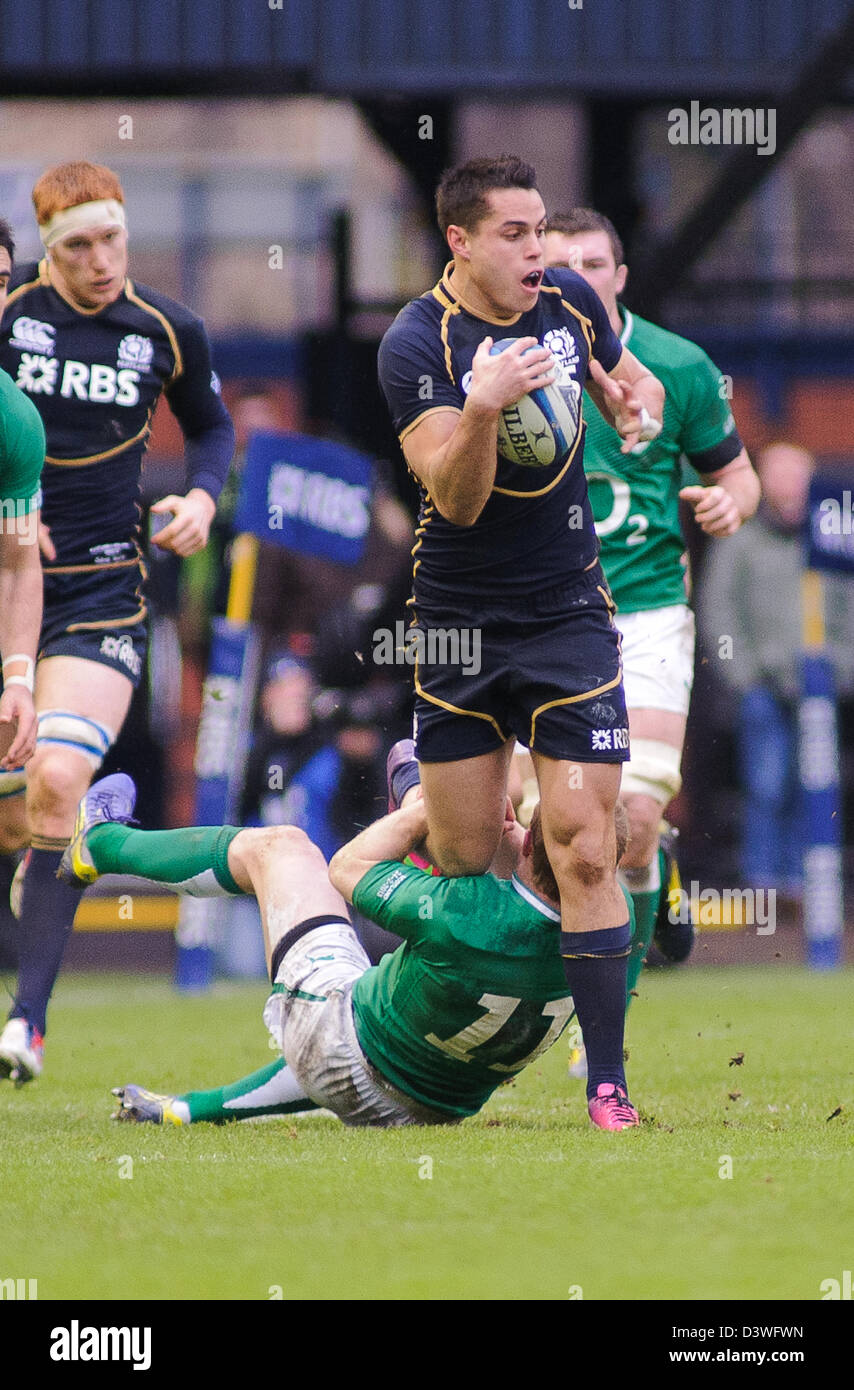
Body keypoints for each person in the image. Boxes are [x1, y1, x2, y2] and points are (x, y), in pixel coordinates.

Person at [377, 156, 664, 1119]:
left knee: (586, 842)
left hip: (569, 616)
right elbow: (454, 501)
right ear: (458, 242)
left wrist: (633, 401)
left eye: (541, 229)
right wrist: (486, 403)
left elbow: (630, 378)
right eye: (514, 233)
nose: (538, 249)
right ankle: (416, 782)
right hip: (457, 627)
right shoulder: (418, 343)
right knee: (466, 858)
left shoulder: (572, 299)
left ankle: (610, 1082)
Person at [0, 161, 234, 1084]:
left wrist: (205, 501)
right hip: (7, 576)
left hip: (101, 597)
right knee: (25, 820)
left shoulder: (169, 330)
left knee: (57, 775)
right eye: (79, 247)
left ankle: (26, 1026)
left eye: (114, 241)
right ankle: (38, 851)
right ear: (48, 250)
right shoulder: (11, 319)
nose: (102, 262)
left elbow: (210, 428)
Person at [58, 771, 638, 1129]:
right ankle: (190, 1111)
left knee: (282, 850)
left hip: (344, 1049)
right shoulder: (615, 928)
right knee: (371, 1023)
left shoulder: (467, 912)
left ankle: (101, 841)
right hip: (433, 1106)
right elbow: (547, 887)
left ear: (533, 845)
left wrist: (420, 810)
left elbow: (348, 869)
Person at [537, 209, 759, 1035]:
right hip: (548, 623)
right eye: (559, 263)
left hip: (650, 616)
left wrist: (727, 505)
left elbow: (738, 476)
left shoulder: (677, 365)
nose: (578, 276)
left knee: (627, 823)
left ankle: (600, 1032)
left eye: (594, 261)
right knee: (548, 837)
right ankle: (635, 895)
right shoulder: (517, 358)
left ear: (620, 275)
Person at [698, 442, 854, 897]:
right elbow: (718, 614)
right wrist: (744, 679)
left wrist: (840, 667)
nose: (789, 485)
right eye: (779, 474)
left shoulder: (833, 536)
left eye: (797, 474)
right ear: (763, 481)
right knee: (767, 787)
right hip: (763, 690)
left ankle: (813, 890)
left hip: (826, 690)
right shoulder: (741, 540)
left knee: (819, 788)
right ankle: (766, 894)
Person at [0, 217, 46, 967]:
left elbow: (15, 563)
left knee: (17, 820)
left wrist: (17, 678)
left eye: (1, 285)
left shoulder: (13, 421)